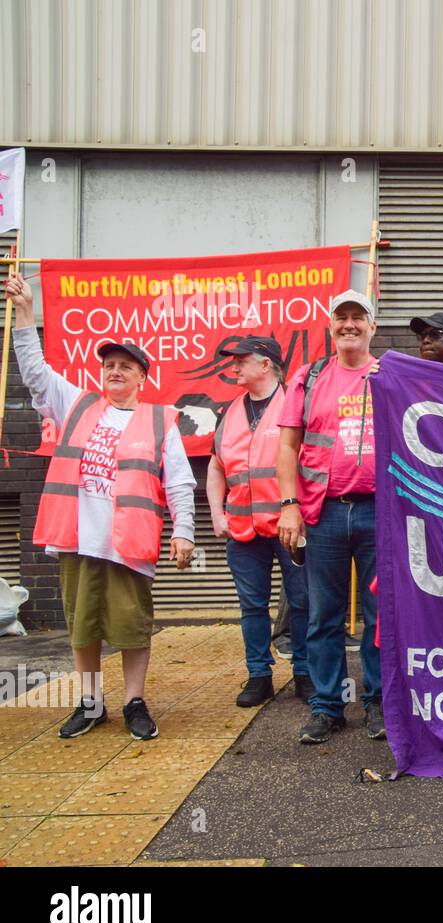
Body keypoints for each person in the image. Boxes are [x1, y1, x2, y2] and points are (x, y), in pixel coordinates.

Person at [4, 273, 195, 741]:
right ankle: (90, 703)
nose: (115, 371)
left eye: (126, 366)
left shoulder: (159, 420)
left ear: (142, 378)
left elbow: (181, 481)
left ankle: (134, 701)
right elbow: (34, 372)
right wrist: (26, 315)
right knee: (82, 627)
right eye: (109, 364)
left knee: (132, 627)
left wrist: (185, 531)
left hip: (128, 545)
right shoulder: (76, 404)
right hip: (79, 539)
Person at [277, 289, 384, 745]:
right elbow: (287, 445)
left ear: (372, 327)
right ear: (330, 326)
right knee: (324, 615)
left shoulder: (389, 374)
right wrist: (289, 506)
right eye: (341, 317)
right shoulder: (310, 376)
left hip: (380, 512)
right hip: (322, 512)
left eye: (358, 317)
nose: (349, 325)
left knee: (381, 616)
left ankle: (380, 702)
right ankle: (327, 706)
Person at [207, 336, 311, 707]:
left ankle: (304, 673)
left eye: (241, 360)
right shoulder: (230, 412)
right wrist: (217, 513)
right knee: (252, 606)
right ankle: (259, 676)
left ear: (266, 365)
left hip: (290, 527)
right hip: (243, 532)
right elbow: (216, 466)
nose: (233, 367)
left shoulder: (294, 405)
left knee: (301, 602)